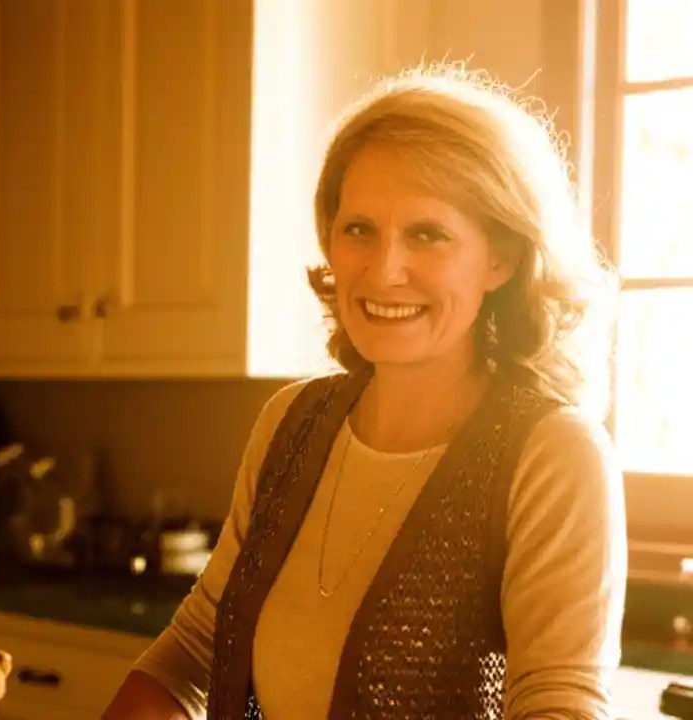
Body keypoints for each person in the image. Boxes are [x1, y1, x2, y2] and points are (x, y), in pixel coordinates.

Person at [103, 63, 626, 719]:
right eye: (359, 229)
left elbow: (560, 703)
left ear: (502, 257)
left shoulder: (552, 454)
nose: (384, 269)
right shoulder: (292, 423)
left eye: (427, 234)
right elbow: (189, 654)